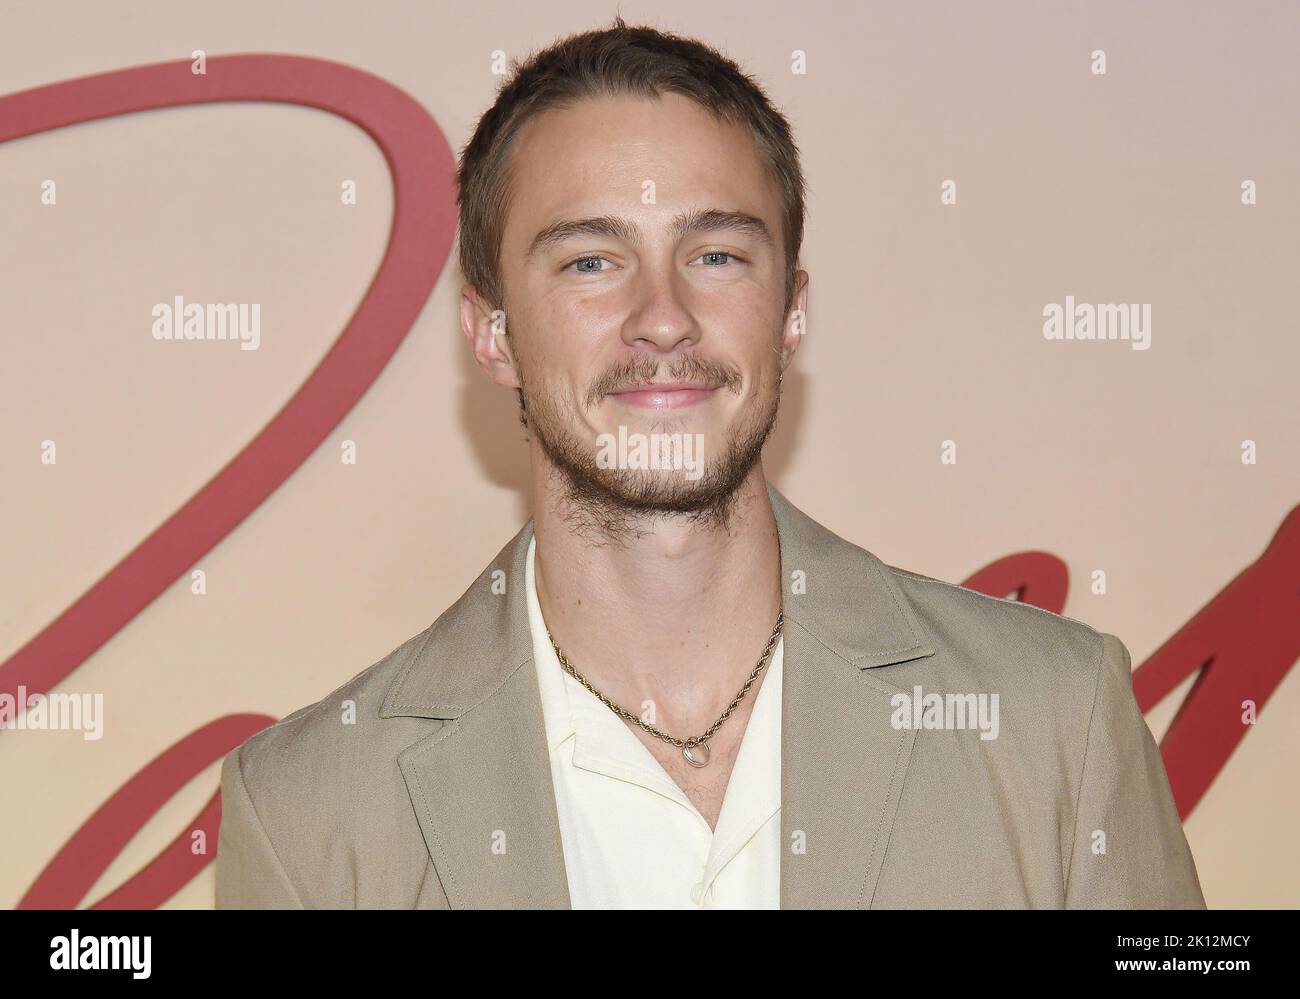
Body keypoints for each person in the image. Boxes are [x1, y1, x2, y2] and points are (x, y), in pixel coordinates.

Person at [215, 16, 1204, 909]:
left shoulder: (1051, 717)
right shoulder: (311, 811)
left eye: (717, 255)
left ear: (792, 310)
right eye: (590, 261)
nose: (662, 318)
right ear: (492, 334)